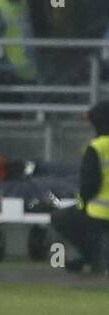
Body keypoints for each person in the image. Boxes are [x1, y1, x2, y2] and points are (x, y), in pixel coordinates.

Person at [51, 101, 109, 274]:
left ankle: (94, 259)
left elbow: (89, 184)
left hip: (99, 212)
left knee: (61, 219)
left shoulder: (97, 147)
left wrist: (83, 201)